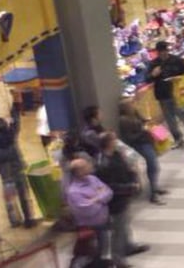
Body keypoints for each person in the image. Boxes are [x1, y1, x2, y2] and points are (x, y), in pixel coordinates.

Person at [95, 133, 147, 267]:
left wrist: (133, 176)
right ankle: (118, 260)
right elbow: (110, 186)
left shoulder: (116, 154)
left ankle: (128, 246)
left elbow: (126, 168)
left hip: (124, 197)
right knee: (117, 231)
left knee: (125, 224)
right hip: (114, 202)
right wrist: (129, 187)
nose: (116, 141)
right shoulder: (103, 163)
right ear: (108, 143)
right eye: (114, 139)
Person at [0, 105, 36, 228]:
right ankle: (28, 219)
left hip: (6, 174)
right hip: (18, 170)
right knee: (23, 195)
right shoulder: (11, 135)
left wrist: (1, 171)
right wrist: (15, 108)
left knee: (10, 199)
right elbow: (16, 123)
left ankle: (14, 221)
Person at [148, 40, 184, 140]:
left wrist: (179, 78)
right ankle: (177, 137)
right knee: (169, 119)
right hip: (163, 94)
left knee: (182, 113)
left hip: (178, 92)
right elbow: (147, 79)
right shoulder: (153, 64)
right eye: (161, 51)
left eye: (165, 50)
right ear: (158, 52)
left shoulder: (177, 60)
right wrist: (153, 75)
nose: (163, 53)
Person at [117, 100, 165, 204]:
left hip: (147, 141)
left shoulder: (135, 113)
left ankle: (155, 187)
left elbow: (143, 121)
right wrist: (143, 131)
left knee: (154, 166)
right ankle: (153, 194)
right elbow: (129, 138)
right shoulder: (124, 120)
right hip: (141, 144)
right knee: (153, 167)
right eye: (131, 103)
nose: (134, 104)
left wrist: (147, 121)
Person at [65, 158, 112, 262]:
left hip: (104, 223)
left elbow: (108, 192)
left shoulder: (93, 179)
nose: (90, 166)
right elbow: (87, 210)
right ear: (79, 171)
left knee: (105, 252)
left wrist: (96, 199)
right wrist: (101, 197)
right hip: (90, 229)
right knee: (90, 255)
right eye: (86, 165)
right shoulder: (74, 192)